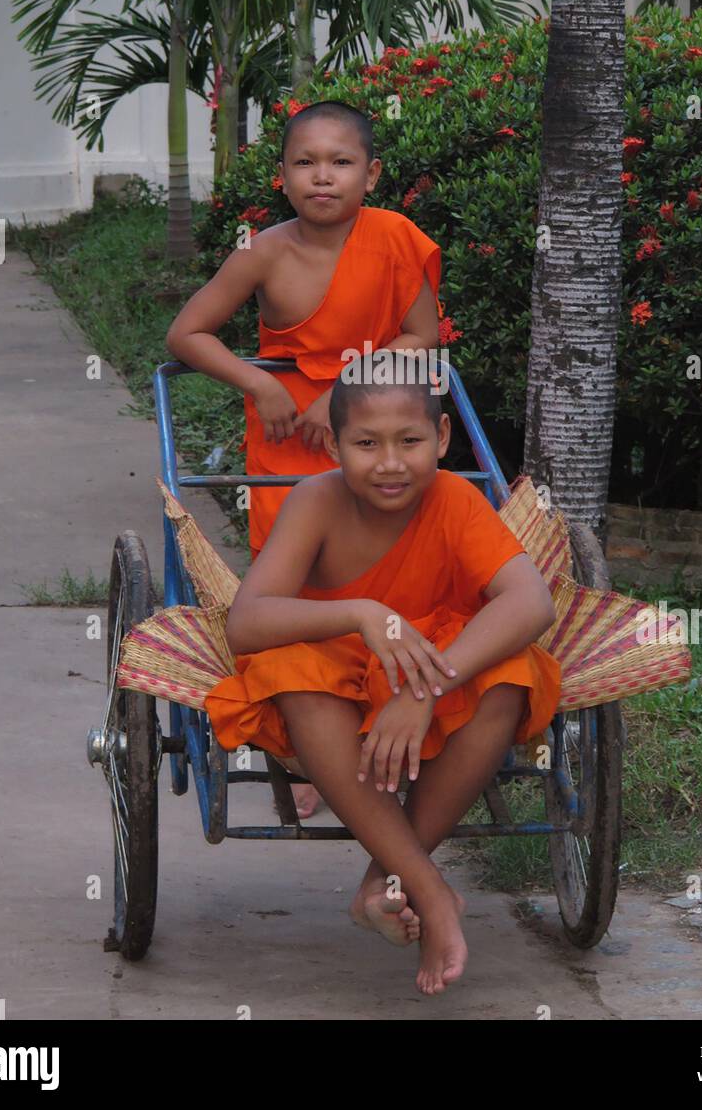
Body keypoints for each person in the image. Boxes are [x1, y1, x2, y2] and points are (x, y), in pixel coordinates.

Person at [203, 357, 561, 995]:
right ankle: (427, 888)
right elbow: (247, 622)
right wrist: (364, 612)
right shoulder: (315, 501)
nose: (390, 463)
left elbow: (530, 603)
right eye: (366, 444)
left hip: (431, 668)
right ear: (335, 446)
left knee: (510, 672)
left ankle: (383, 881)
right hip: (334, 680)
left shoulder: (456, 499)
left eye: (410, 441)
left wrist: (426, 689)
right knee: (290, 671)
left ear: (443, 439)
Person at [166, 100, 441, 818]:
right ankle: (311, 746)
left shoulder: (398, 240)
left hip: (378, 424)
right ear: (283, 176)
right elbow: (188, 333)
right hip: (292, 440)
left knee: (396, 570)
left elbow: (424, 337)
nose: (324, 178)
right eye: (306, 163)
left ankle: (395, 717)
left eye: (341, 163)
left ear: (371, 174)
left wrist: (351, 381)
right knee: (297, 592)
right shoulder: (264, 252)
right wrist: (260, 381)